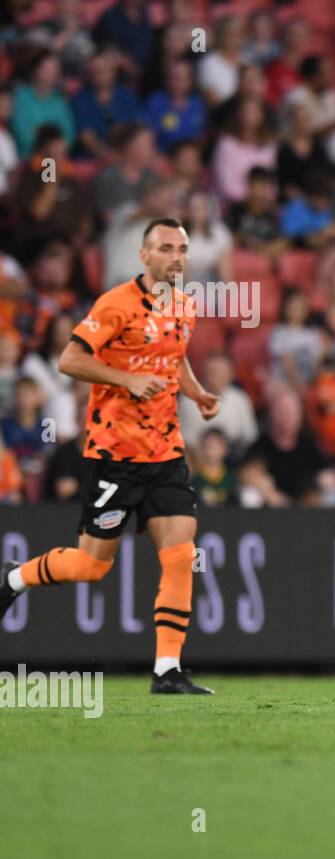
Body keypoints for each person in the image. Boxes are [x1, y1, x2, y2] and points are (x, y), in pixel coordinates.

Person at [0, 219, 220, 694]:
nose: (176, 257)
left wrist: (198, 393)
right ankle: (12, 579)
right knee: (91, 566)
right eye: (166, 248)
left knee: (181, 554)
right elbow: (70, 359)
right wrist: (127, 379)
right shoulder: (116, 304)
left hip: (166, 452)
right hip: (114, 454)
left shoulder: (184, 304)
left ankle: (167, 671)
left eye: (182, 249)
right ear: (144, 256)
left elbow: (173, 355)